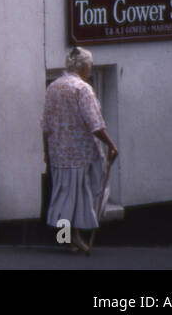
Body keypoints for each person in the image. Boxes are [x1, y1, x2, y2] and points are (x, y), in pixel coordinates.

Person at [41, 46, 120, 253]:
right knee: (84, 196)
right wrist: (112, 145)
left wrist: (46, 153)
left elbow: (46, 126)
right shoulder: (82, 89)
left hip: (58, 154)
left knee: (63, 199)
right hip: (81, 155)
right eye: (90, 66)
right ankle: (71, 238)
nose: (91, 70)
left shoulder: (53, 87)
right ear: (84, 66)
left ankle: (67, 239)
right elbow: (96, 124)